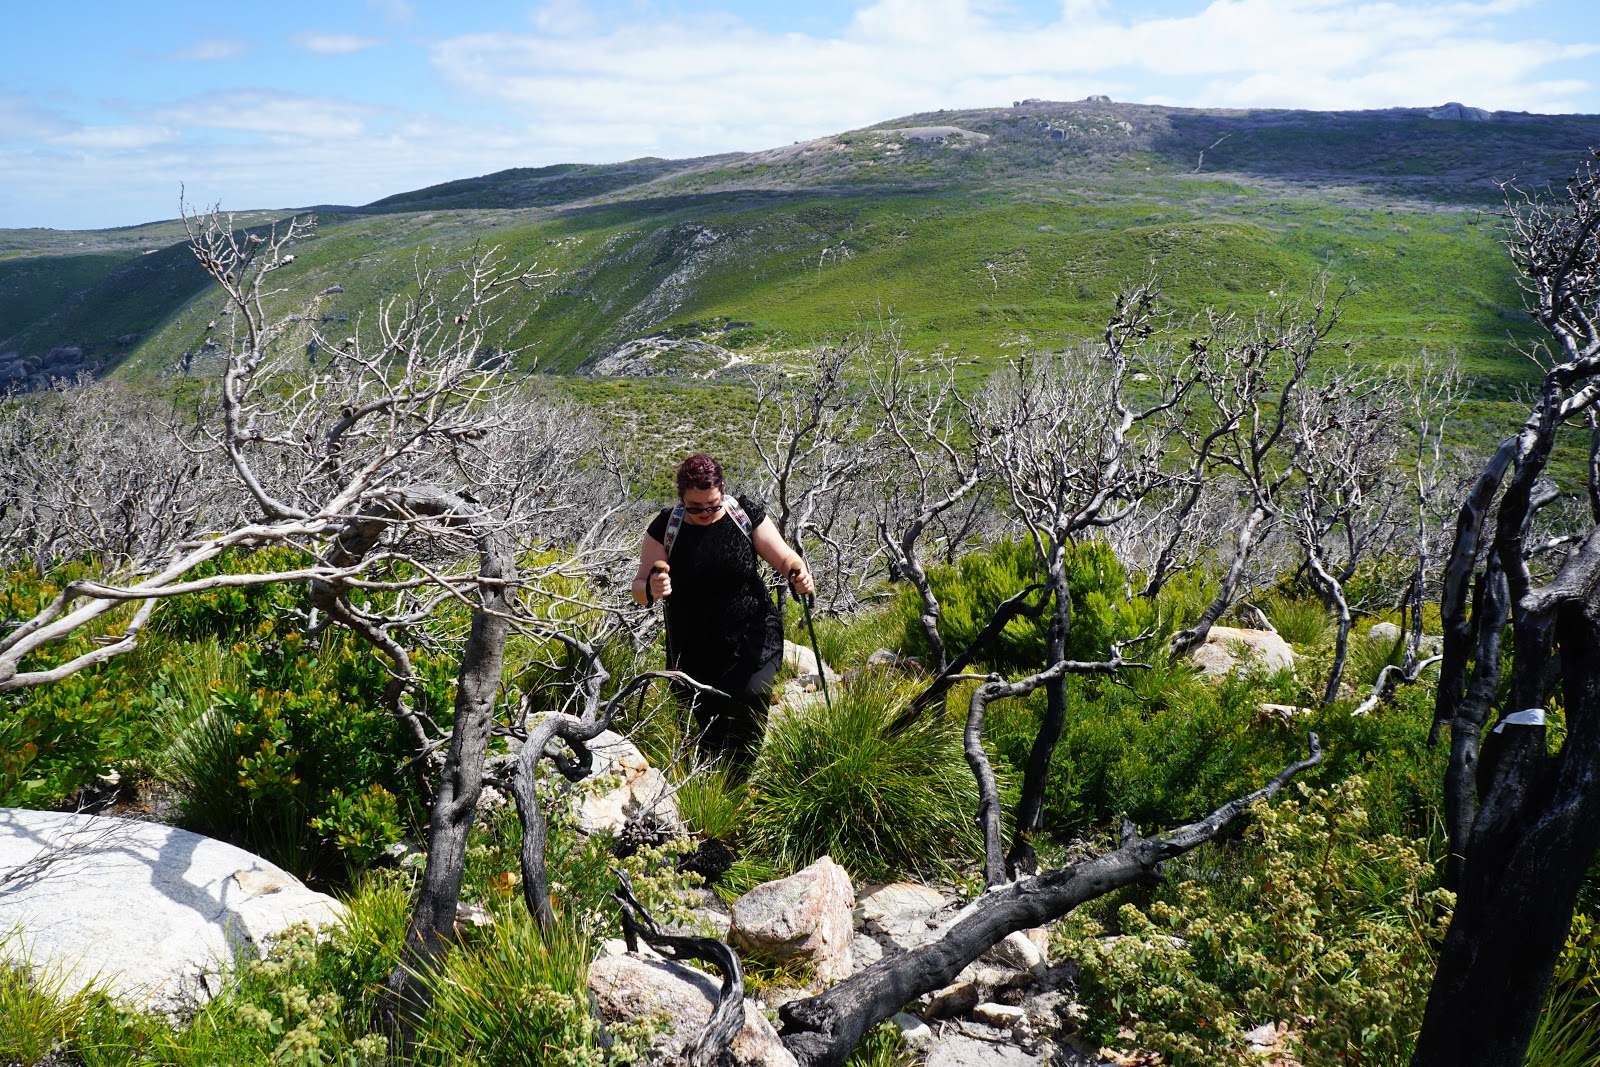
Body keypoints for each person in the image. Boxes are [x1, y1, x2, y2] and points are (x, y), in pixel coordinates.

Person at [631, 453, 815, 768]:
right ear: (681, 498)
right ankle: (715, 784)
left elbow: (785, 558)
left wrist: (798, 573)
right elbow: (639, 588)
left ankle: (739, 778)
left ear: (723, 490)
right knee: (709, 730)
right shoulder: (666, 528)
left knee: (753, 696)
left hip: (752, 632)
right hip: (694, 647)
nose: (705, 512)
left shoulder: (744, 515)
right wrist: (651, 587)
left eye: (713, 505)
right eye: (695, 507)